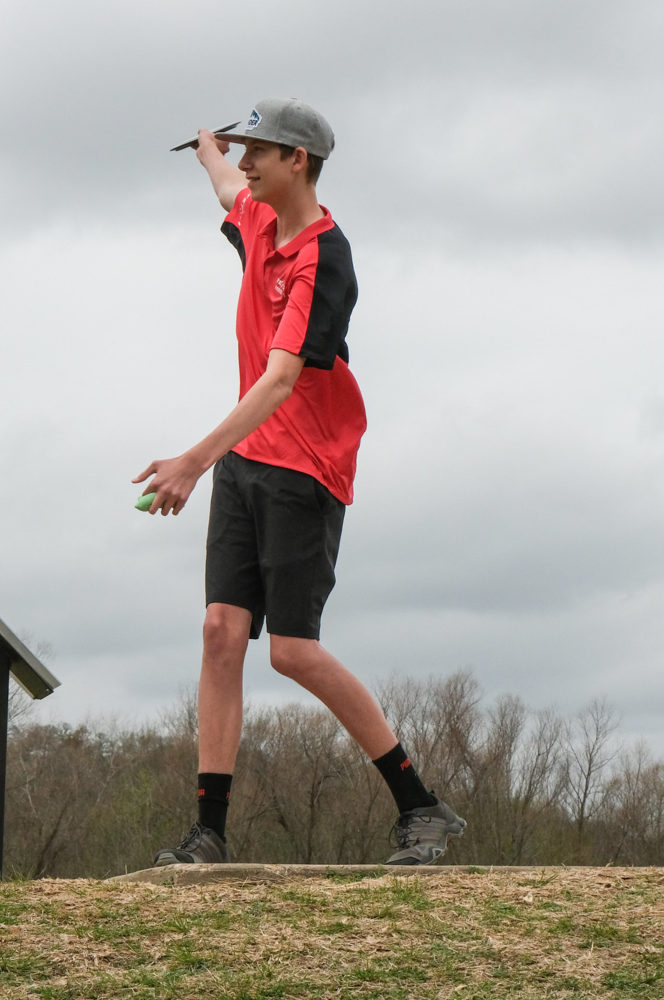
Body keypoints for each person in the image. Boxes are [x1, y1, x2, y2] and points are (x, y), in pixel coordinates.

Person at [134, 98, 464, 866]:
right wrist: (210, 151)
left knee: (292, 652)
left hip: (304, 466)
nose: (248, 165)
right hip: (250, 457)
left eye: (261, 152)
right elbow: (225, 188)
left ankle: (422, 807)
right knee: (221, 634)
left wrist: (193, 459)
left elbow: (283, 379)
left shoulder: (324, 257)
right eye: (244, 152)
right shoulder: (254, 216)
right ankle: (207, 832)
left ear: (300, 162)